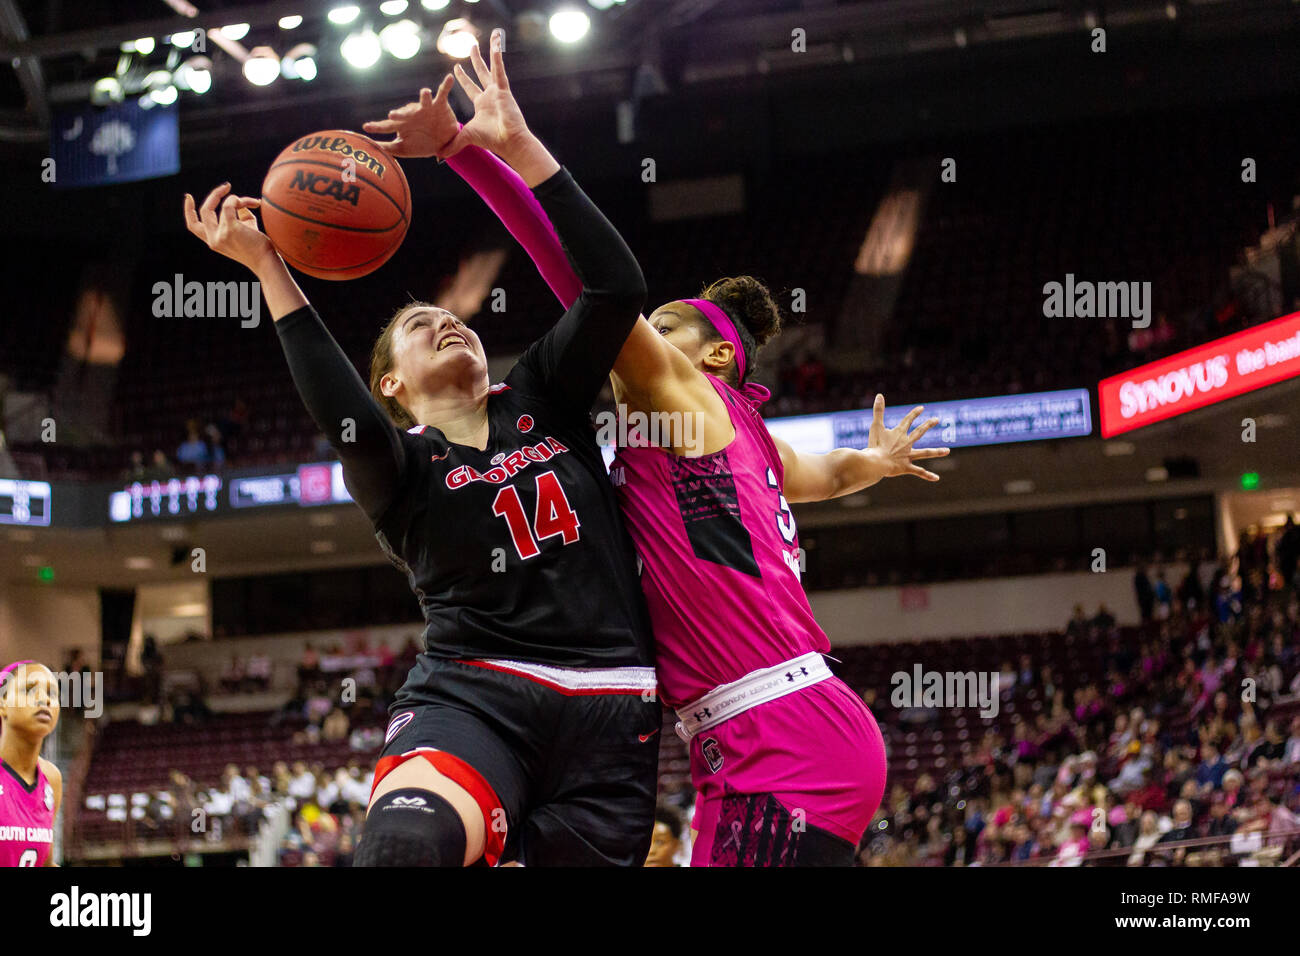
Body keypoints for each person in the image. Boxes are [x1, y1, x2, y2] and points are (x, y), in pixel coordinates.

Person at [370, 47, 949, 865]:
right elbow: (826, 476)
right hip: (769, 730)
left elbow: (582, 279)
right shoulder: (747, 440)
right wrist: (874, 461)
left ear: (711, 361)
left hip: (779, 734)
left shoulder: (678, 395)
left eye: (666, 328)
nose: (642, 339)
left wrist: (486, 152)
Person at [185, 31, 660, 867]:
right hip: (475, 696)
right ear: (394, 388)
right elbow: (343, 414)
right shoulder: (398, 466)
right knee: (406, 845)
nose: (445, 320)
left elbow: (617, 288)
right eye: (416, 327)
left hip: (612, 711)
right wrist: (269, 266)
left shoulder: (543, 394)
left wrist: (520, 149)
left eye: (452, 318)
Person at [0, 661, 63, 867]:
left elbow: (46, 863)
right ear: (3, 703)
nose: (44, 699)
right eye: (29, 689)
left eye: (52, 694)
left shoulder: (51, 778)